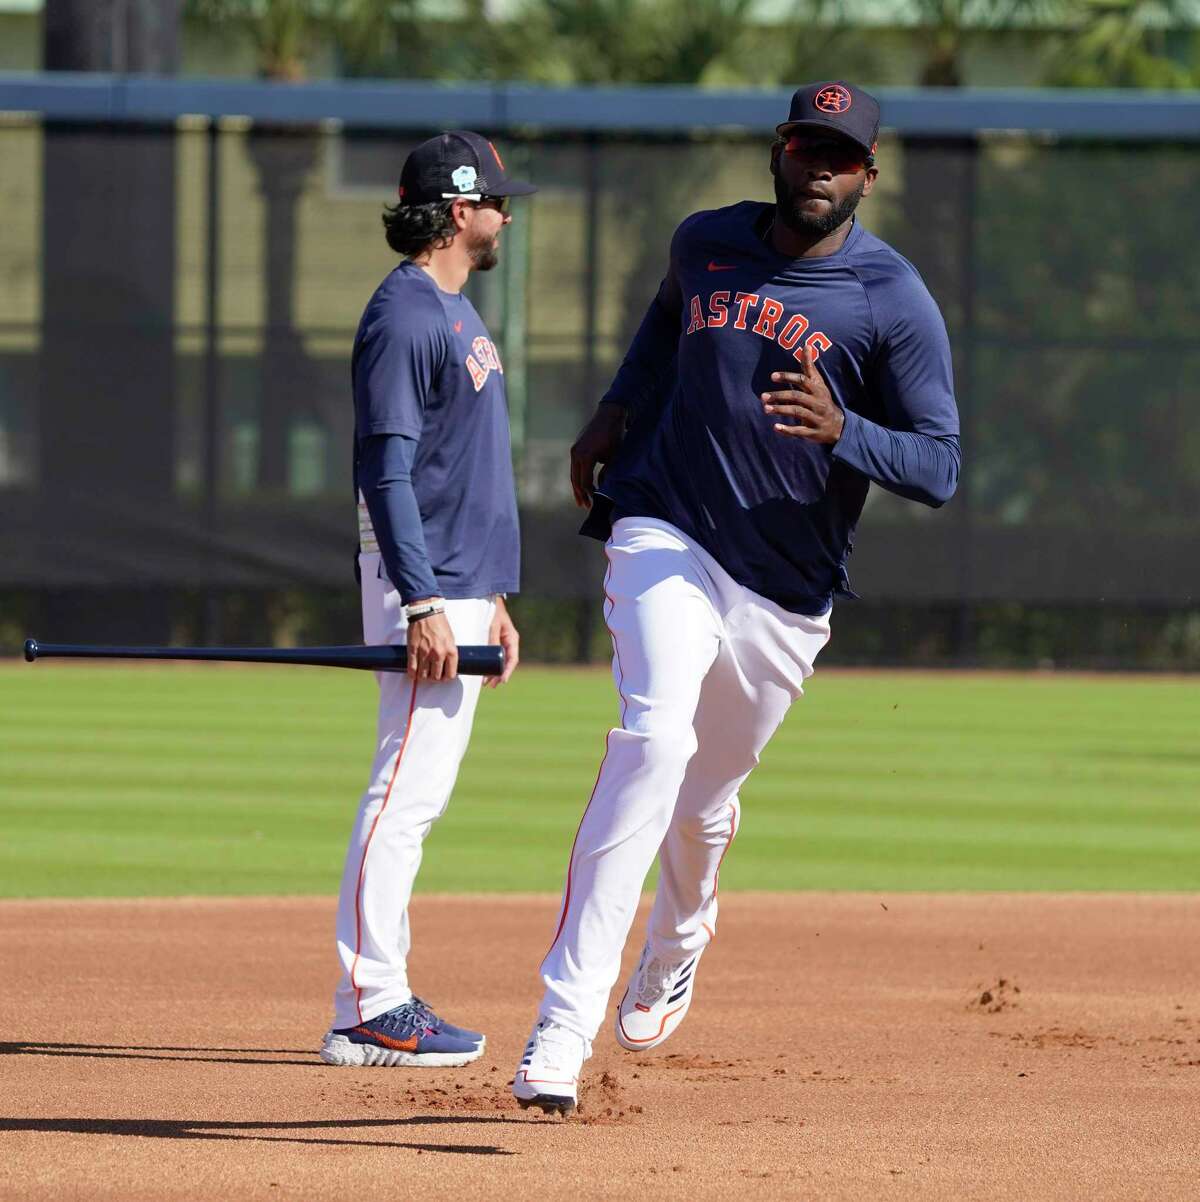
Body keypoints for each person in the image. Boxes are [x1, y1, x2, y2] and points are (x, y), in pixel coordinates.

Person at [512, 82, 960, 1113]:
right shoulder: (705, 242)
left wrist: (849, 430)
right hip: (665, 524)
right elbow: (667, 330)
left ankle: (680, 934)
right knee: (653, 737)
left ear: (867, 176)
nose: (820, 165)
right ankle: (562, 1023)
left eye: (841, 154)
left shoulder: (891, 295)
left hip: (787, 588)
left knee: (704, 802)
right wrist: (613, 413)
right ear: (778, 148)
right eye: (807, 143)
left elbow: (939, 464)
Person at [320, 131, 534, 1069]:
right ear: (458, 211)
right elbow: (387, 470)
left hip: (461, 584)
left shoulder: (448, 309)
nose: (506, 214)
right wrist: (421, 602)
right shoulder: (408, 314)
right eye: (495, 200)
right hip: (431, 586)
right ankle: (372, 1003)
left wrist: (492, 600)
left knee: (416, 790)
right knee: (402, 791)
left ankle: (364, 1001)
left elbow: (460, 471)